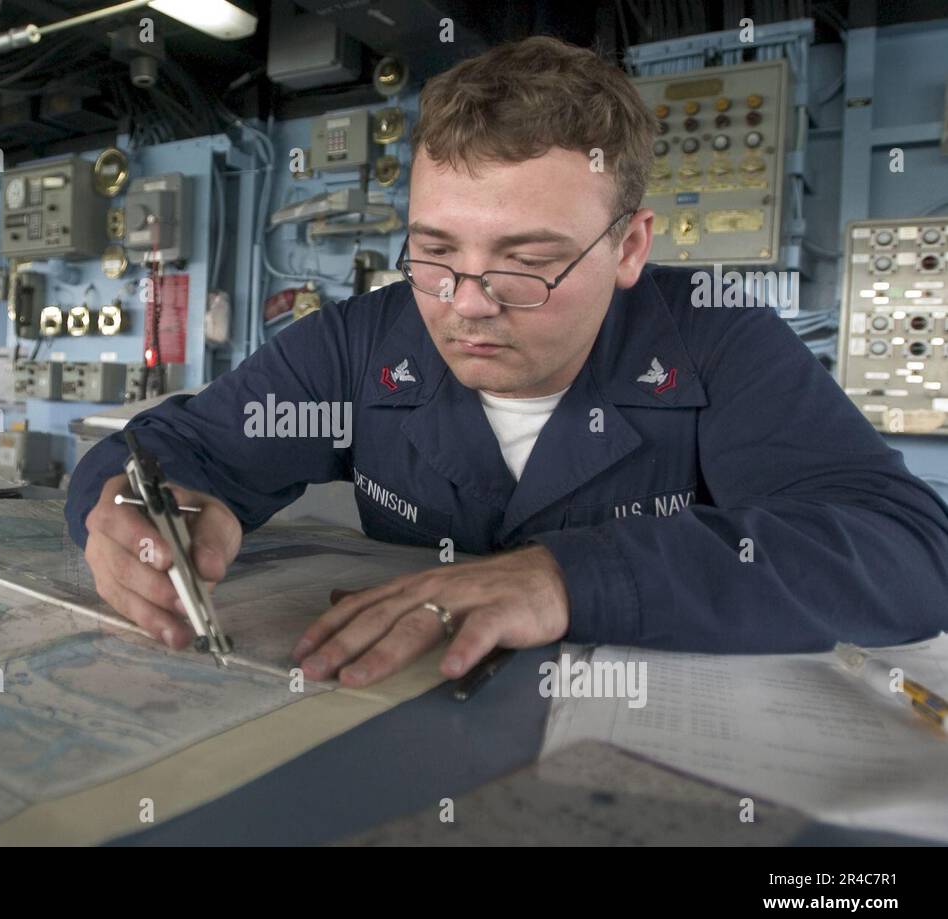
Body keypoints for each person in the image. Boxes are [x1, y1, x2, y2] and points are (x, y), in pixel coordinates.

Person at [66, 36, 948, 690]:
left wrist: (575, 574)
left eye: (527, 260)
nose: (468, 301)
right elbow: (166, 451)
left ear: (630, 246)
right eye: (435, 251)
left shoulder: (718, 341)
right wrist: (138, 513)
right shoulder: (360, 341)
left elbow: (905, 551)